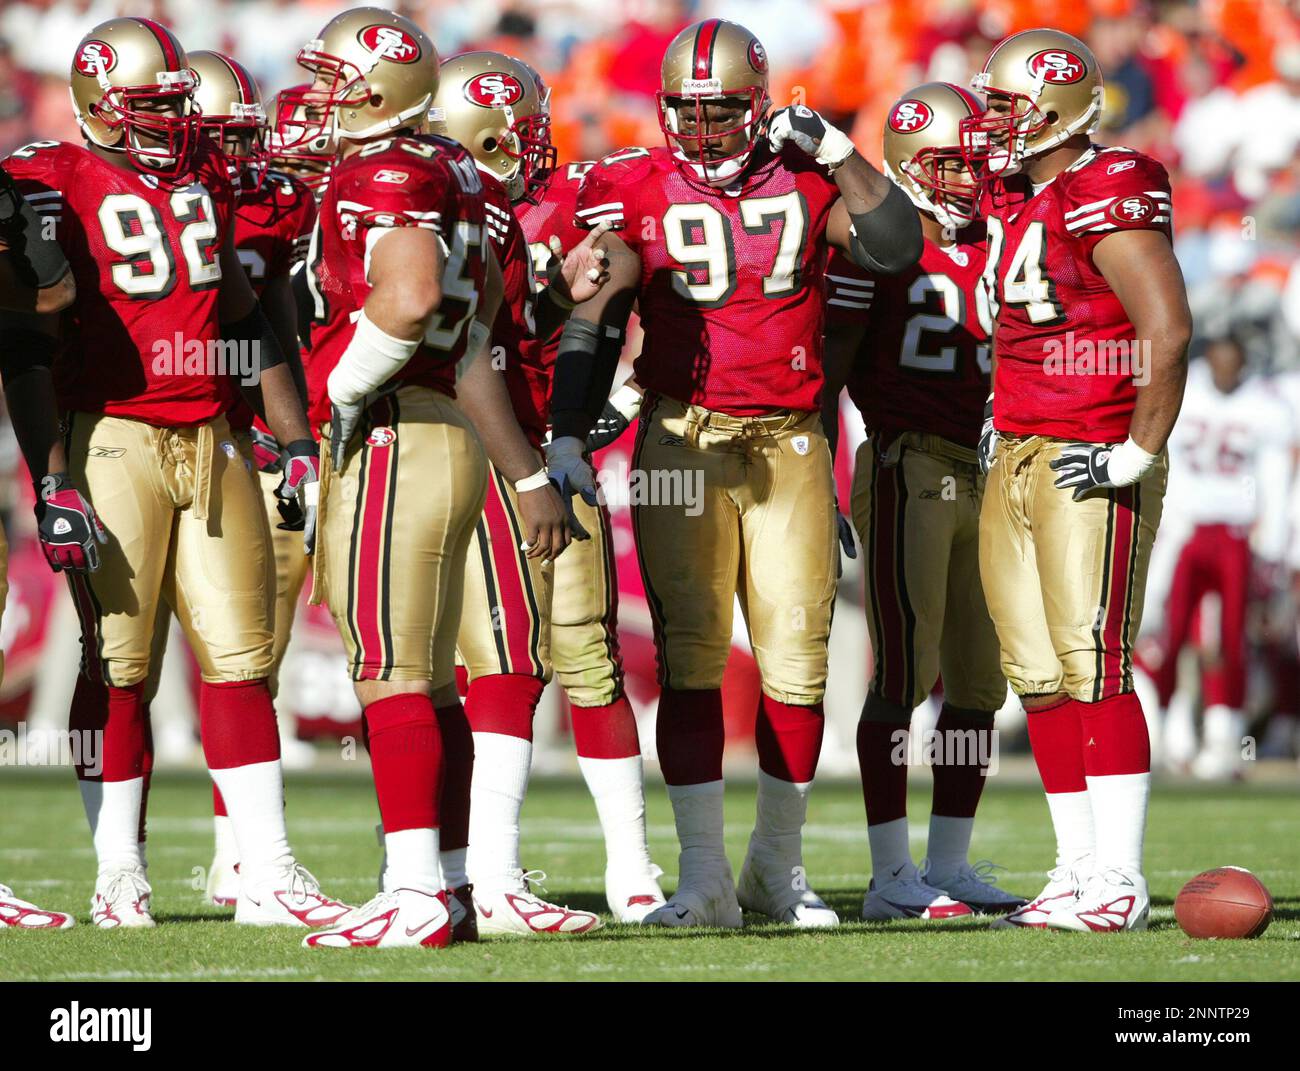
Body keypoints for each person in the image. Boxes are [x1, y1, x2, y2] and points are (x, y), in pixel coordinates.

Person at [557, 17, 922, 928]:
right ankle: (705, 876)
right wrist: (573, 421)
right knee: (691, 660)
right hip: (683, 435)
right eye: (688, 111)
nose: (706, 130)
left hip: (792, 440)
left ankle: (777, 869)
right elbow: (585, 303)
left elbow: (895, 243)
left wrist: (839, 151)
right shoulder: (632, 181)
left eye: (723, 112)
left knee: (797, 663)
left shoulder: (804, 176)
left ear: (761, 108)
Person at [2, 15, 345, 930]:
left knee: (240, 662)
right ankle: (120, 871)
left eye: (173, 106)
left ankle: (266, 868)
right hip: (112, 436)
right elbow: (28, 349)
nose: (172, 124)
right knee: (120, 666)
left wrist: (296, 438)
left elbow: (245, 316)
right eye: (150, 108)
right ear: (101, 110)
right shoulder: (50, 181)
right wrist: (54, 478)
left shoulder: (201, 174)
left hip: (212, 439)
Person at [961, 28, 1192, 932]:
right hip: (1017, 444)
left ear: (1054, 110)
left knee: (1094, 662)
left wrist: (1136, 450)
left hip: (1087, 448)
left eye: (1006, 108)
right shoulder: (1020, 195)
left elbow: (1165, 328)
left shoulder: (1109, 183)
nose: (991, 126)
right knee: (1040, 672)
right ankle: (1075, 866)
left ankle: (1123, 878)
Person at [430, 50, 664, 933]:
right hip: (474, 452)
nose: (536, 148)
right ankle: (463, 867)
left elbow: (636, 283)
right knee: (469, 663)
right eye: (519, 132)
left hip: (547, 450)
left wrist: (612, 403)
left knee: (584, 652)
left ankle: (629, 867)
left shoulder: (573, 201)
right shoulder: (440, 206)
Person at [821, 82, 1025, 921]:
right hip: (910, 462)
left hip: (990, 473)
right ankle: (889, 873)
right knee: (903, 673)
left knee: (980, 682)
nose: (969, 177)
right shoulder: (882, 246)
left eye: (974, 159)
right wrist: (814, 477)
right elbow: (831, 361)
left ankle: (949, 860)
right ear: (906, 166)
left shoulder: (1005, 236)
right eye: (950, 162)